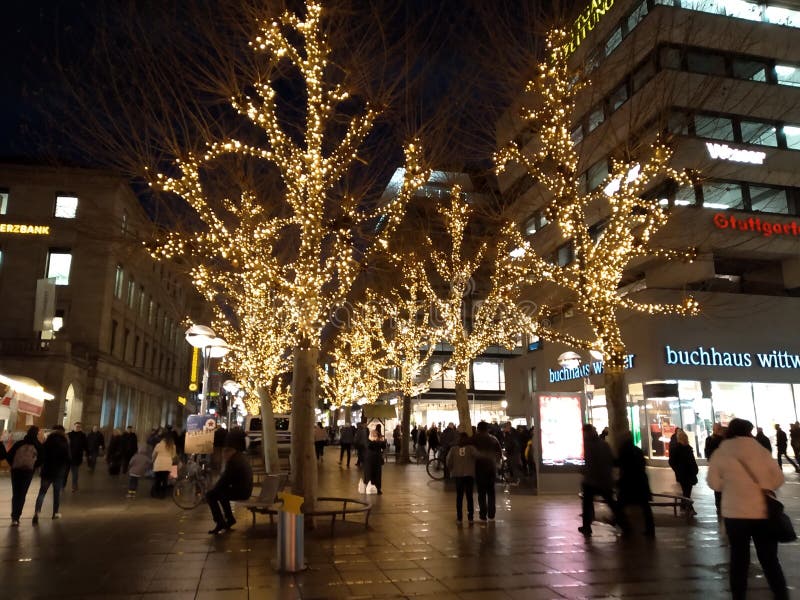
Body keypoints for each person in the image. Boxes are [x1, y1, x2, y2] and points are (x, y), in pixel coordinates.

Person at [708, 418, 788, 600]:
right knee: (769, 560)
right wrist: (766, 486)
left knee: (738, 560)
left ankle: (739, 597)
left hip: (734, 514)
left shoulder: (721, 452)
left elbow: (714, 483)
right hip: (762, 511)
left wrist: (730, 486)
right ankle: (781, 595)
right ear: (749, 431)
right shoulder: (761, 451)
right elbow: (778, 478)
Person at [579, 424, 624, 536]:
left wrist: (585, 471)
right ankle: (625, 524)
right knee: (610, 503)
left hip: (593, 480)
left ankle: (586, 527)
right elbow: (610, 460)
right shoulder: (603, 444)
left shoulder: (590, 445)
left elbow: (592, 463)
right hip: (604, 479)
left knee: (588, 503)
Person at [206, 429, 253, 534]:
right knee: (221, 493)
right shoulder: (240, 457)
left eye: (226, 451)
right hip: (244, 490)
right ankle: (229, 518)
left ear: (231, 450)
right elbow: (226, 480)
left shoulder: (234, 461)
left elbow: (225, 480)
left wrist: (214, 489)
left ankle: (220, 522)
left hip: (241, 492)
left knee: (210, 495)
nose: (224, 454)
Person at [616, 433, 654, 537]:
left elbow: (623, 466)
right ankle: (650, 529)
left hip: (629, 483)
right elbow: (642, 465)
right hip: (640, 482)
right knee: (645, 506)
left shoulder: (624, 451)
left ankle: (625, 526)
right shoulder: (637, 450)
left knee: (620, 505)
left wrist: (619, 482)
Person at [33, 425, 70, 522]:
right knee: (56, 493)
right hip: (58, 472)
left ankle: (37, 512)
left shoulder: (47, 441)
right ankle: (55, 513)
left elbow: (41, 455)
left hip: (47, 471)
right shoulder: (64, 442)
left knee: (42, 492)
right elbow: (67, 458)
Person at [7, 426, 43, 526]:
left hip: (16, 471)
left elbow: (9, 455)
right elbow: (41, 459)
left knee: (16, 493)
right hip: (28, 472)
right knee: (22, 494)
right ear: (36, 434)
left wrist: (13, 465)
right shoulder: (38, 445)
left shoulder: (19, 443)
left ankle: (14, 517)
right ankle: (17, 517)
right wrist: (33, 466)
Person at [473, 421, 502, 522]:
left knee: (481, 493)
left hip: (479, 468)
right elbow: (499, 453)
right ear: (487, 429)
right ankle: (491, 514)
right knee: (491, 492)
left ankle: (482, 515)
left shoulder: (474, 439)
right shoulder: (493, 439)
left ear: (478, 429)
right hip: (491, 468)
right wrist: (497, 464)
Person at [446, 431, 477, 524]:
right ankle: (470, 518)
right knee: (469, 496)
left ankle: (459, 518)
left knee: (459, 497)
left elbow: (449, 461)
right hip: (469, 475)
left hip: (458, 475)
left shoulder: (453, 449)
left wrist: (451, 469)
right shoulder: (471, 448)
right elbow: (477, 457)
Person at [671, 430, 699, 515]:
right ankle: (689, 508)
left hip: (688, 473)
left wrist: (695, 469)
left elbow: (692, 461)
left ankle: (683, 506)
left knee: (686, 491)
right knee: (687, 492)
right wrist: (678, 469)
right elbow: (672, 461)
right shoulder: (678, 449)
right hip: (684, 474)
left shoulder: (687, 448)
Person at [705, 422, 726, 518]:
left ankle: (720, 507)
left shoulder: (710, 440)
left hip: (718, 468)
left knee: (718, 489)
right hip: (721, 468)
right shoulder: (722, 440)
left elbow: (708, 454)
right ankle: (720, 507)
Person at [363, 425, 387, 494]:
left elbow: (383, 446)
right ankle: (370, 487)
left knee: (377, 475)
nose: (375, 436)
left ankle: (377, 488)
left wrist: (381, 441)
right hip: (370, 461)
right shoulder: (368, 441)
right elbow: (370, 445)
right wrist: (378, 442)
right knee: (370, 474)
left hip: (376, 460)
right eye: (373, 435)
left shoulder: (377, 441)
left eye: (376, 435)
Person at [151, 434, 176, 498]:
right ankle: (163, 495)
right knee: (165, 480)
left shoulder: (159, 445)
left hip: (158, 464)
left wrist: (153, 461)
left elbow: (154, 454)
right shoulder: (173, 446)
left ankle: (156, 494)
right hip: (167, 464)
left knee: (158, 480)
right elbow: (173, 456)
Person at [66, 422, 88, 492]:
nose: (77, 427)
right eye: (76, 426)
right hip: (68, 457)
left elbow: (85, 445)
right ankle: (63, 484)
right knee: (65, 473)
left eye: (79, 426)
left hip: (77, 457)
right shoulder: (69, 434)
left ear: (80, 428)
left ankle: (74, 486)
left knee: (75, 473)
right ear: (73, 427)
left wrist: (87, 453)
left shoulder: (83, 435)